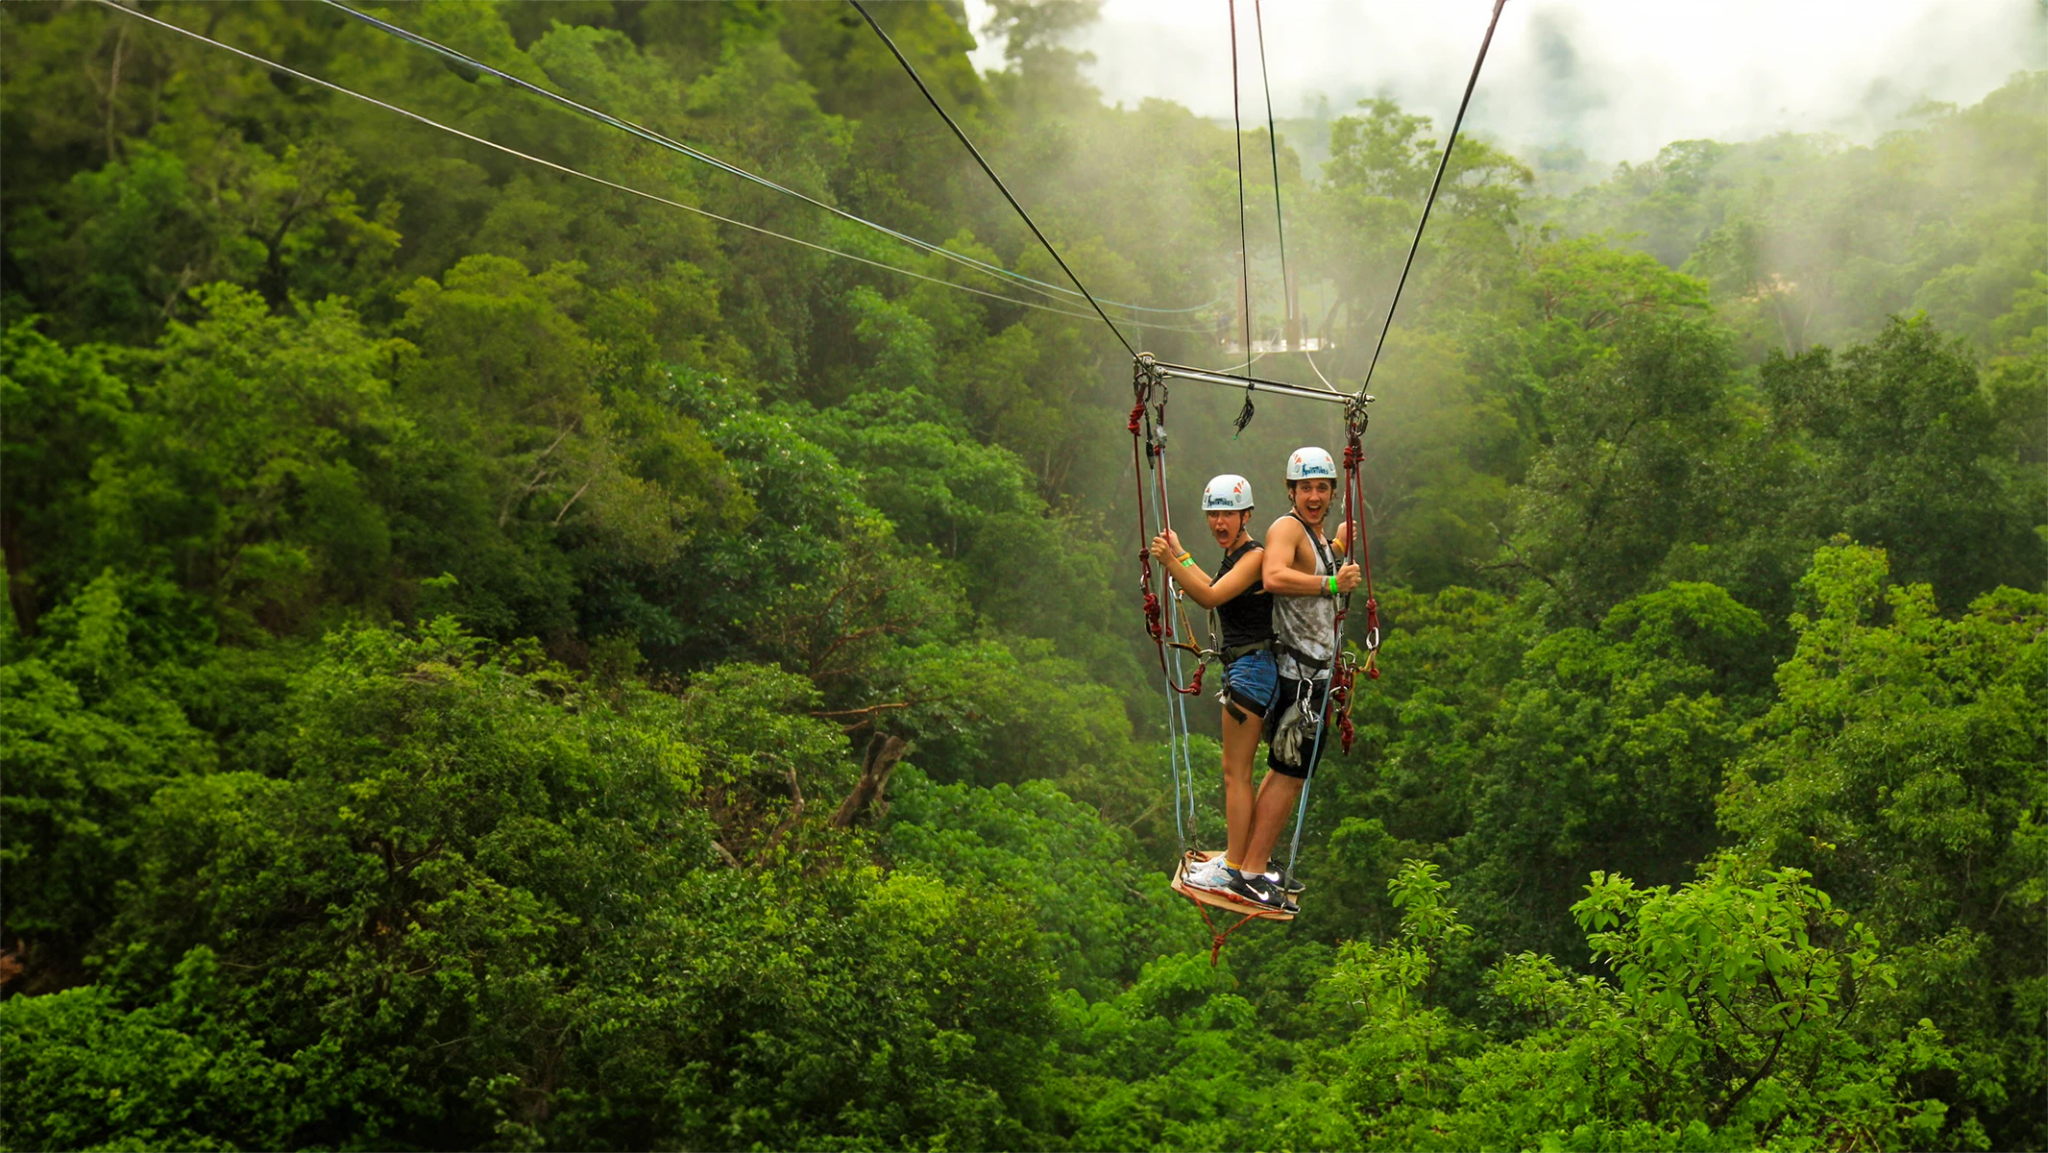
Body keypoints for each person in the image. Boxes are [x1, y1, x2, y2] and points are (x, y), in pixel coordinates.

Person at [1231, 447, 1362, 910]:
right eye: (1305, 487)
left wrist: (1339, 548)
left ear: (1330, 494)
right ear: (1291, 491)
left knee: (1284, 773)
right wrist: (1332, 584)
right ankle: (1250, 870)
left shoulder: (1317, 538)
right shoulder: (1287, 528)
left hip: (1312, 676)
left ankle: (1254, 861)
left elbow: (1311, 563)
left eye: (1321, 488)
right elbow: (1275, 574)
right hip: (1300, 677)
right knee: (1290, 775)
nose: (1313, 496)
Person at [1148, 475, 1274, 905]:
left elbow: (1209, 596)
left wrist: (1170, 562)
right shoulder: (1238, 555)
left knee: (1235, 774)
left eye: (1228, 514)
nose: (1220, 522)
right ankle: (1235, 862)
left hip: (1253, 671)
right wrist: (1181, 553)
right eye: (1214, 514)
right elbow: (1213, 586)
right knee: (1235, 772)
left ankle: (1236, 867)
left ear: (1246, 515)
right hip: (1248, 669)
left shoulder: (1255, 557)